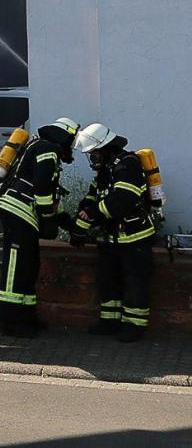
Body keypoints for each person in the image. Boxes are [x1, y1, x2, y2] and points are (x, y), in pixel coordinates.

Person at [68, 123, 156, 343]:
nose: (92, 158)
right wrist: (81, 218)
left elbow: (121, 201)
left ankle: (134, 326)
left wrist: (93, 214)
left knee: (135, 283)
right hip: (111, 240)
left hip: (135, 238)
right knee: (108, 281)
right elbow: (92, 196)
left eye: (94, 153)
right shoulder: (106, 171)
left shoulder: (129, 165)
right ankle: (109, 322)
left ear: (106, 147)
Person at [0, 117, 78, 337]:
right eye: (71, 141)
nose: (71, 147)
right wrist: (48, 218)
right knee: (15, 267)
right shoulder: (48, 150)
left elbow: (47, 193)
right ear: (64, 136)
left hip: (23, 212)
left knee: (29, 266)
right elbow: (41, 188)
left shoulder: (41, 146)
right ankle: (10, 321)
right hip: (18, 211)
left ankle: (26, 317)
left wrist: (65, 222)